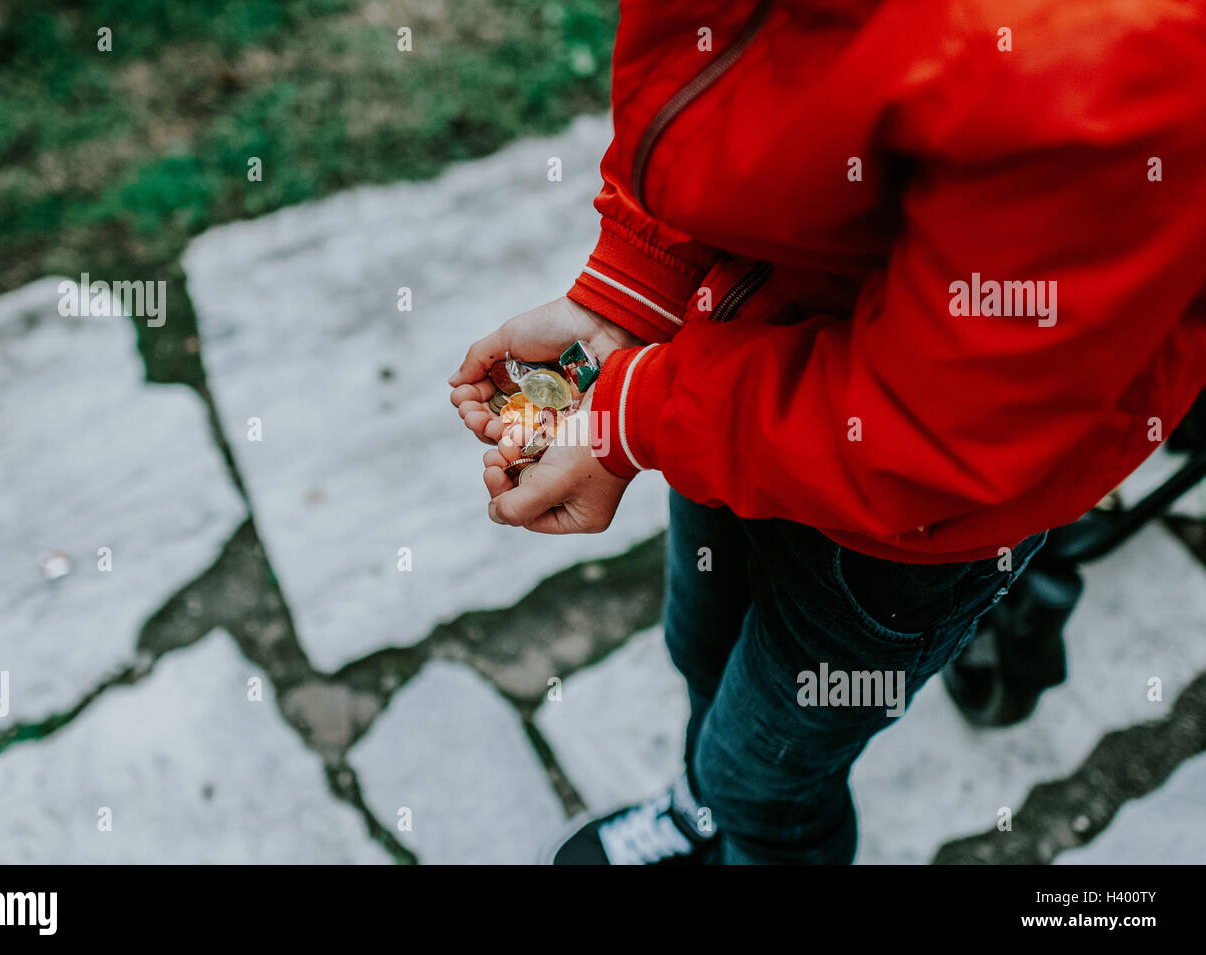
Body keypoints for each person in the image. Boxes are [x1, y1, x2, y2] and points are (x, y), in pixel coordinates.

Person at [448, 0, 1206, 864]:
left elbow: (932, 428)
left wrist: (638, 415)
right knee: (702, 643)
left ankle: (737, 812)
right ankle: (704, 811)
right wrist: (634, 287)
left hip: (913, 533)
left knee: (771, 776)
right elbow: (724, 72)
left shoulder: (1098, 56)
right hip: (730, 382)